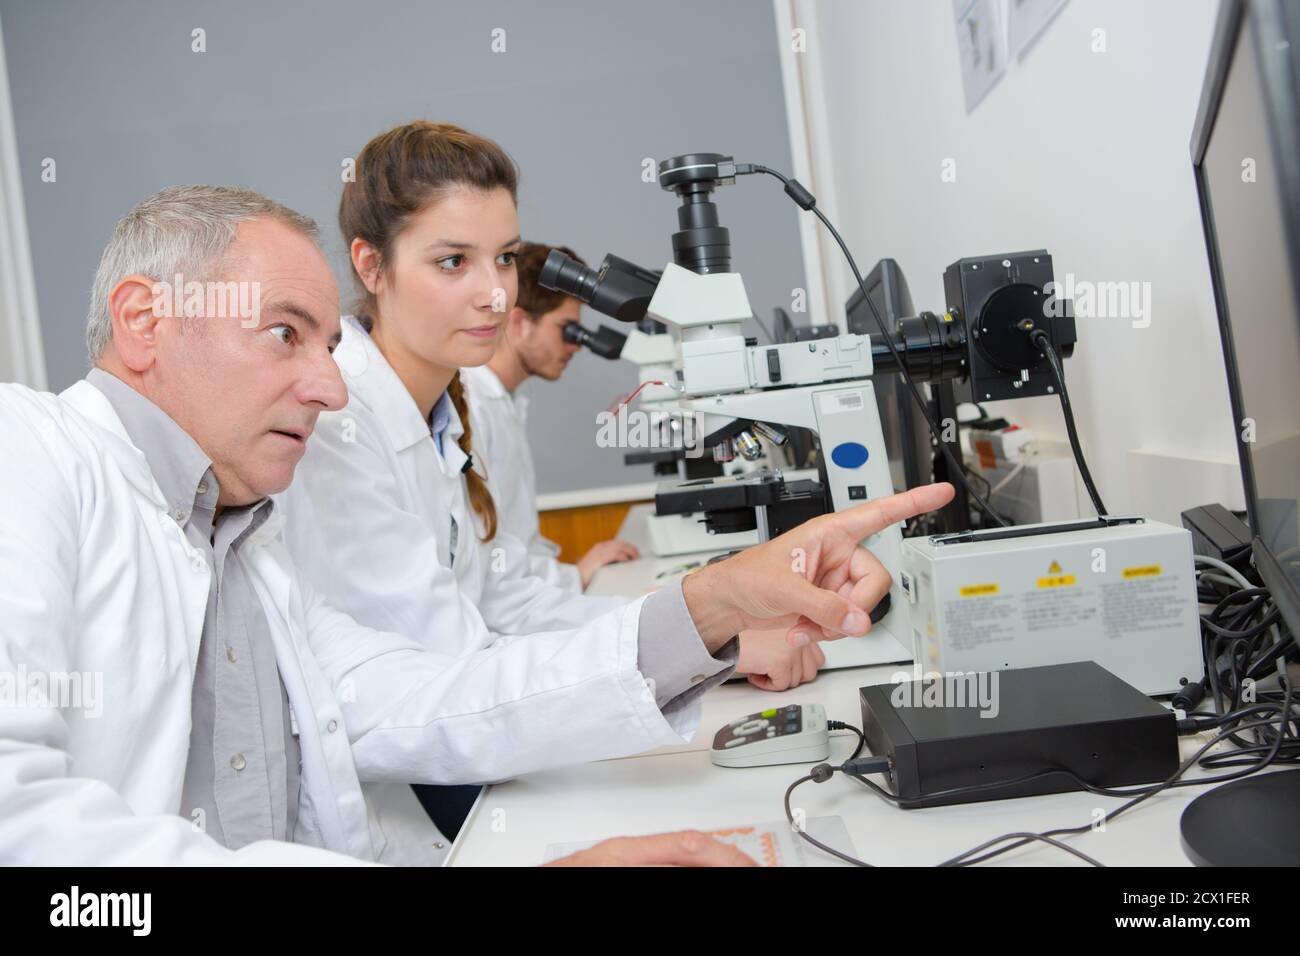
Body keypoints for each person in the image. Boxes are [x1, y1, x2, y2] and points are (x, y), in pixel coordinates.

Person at [0, 183, 953, 865]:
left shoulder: (245, 542)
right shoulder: (29, 457)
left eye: (331, 347)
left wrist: (708, 607)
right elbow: (30, 836)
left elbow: (434, 698)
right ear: (143, 320)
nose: (331, 387)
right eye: (286, 334)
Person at [279, 123, 839, 859]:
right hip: (405, 789)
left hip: (469, 746)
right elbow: (456, 663)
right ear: (371, 265)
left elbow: (507, 599)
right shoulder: (338, 426)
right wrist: (703, 633)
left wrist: (704, 640)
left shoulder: (447, 408)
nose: (494, 293)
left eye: (505, 258)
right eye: (453, 262)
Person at [461, 242, 638, 593]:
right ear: (519, 322)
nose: (575, 346)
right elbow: (487, 556)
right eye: (567, 330)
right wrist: (574, 576)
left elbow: (516, 540)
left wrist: (569, 574)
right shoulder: (475, 409)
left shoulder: (504, 403)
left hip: (528, 601)